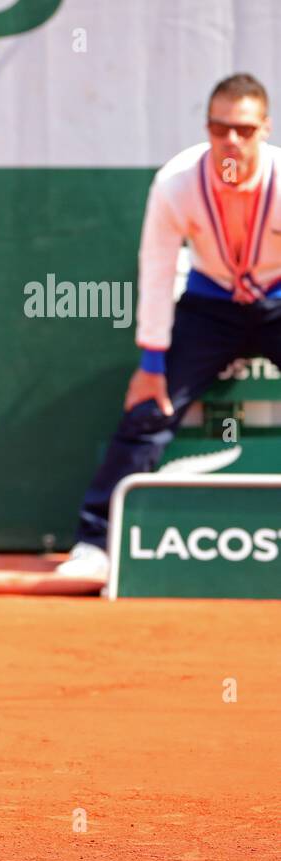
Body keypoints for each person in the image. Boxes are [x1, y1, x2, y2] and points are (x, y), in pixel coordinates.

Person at [59, 73, 281, 579]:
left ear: (264, 130)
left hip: (278, 296)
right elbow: (158, 270)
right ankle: (96, 542)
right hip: (210, 305)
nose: (231, 141)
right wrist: (152, 363)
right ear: (207, 128)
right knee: (148, 408)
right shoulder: (177, 183)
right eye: (220, 128)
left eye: (244, 130)